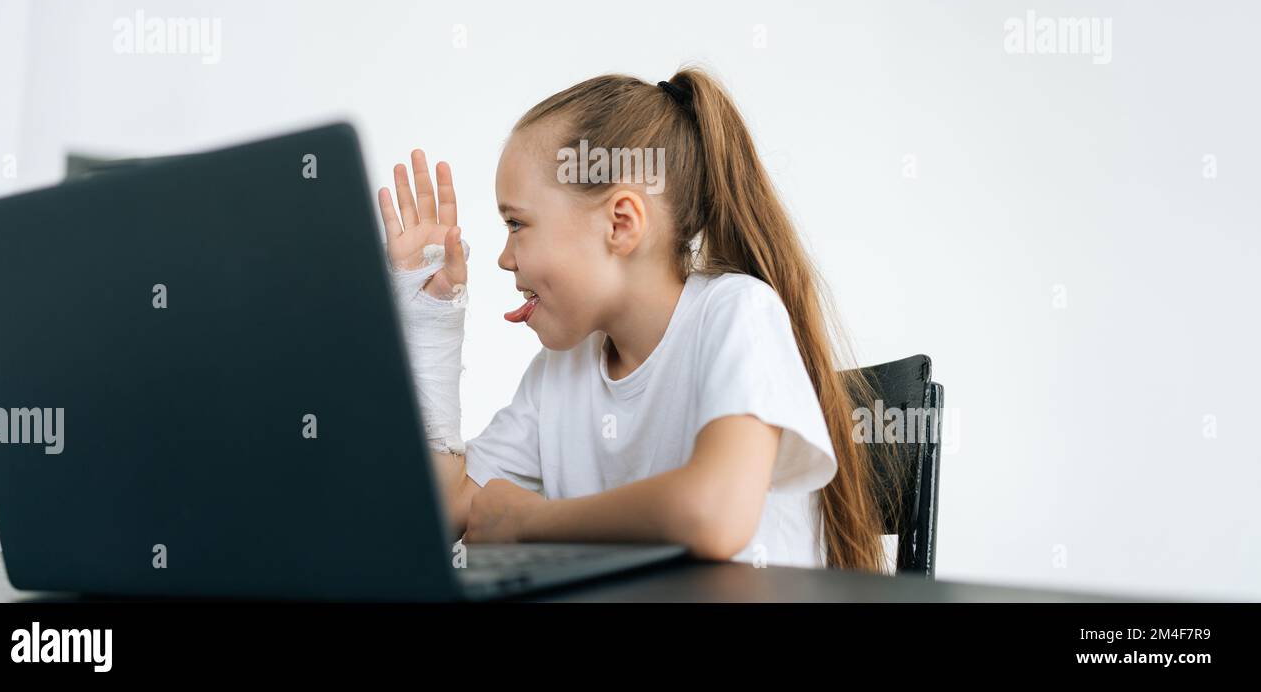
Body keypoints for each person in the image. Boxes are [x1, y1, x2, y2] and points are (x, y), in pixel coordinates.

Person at [378, 67, 900, 570]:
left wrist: (533, 522)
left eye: (517, 223)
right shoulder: (556, 375)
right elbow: (445, 510)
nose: (504, 257)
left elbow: (715, 515)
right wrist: (431, 322)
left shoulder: (737, 313)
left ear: (620, 224)